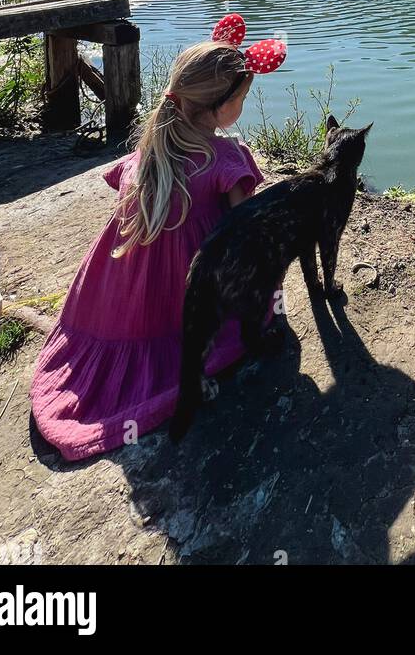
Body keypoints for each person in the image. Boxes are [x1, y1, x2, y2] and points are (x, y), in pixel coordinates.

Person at [30, 40, 265, 460]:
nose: (243, 105)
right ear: (219, 107)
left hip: (119, 304)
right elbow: (248, 237)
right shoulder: (226, 158)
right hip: (182, 297)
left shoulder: (148, 152)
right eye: (243, 98)